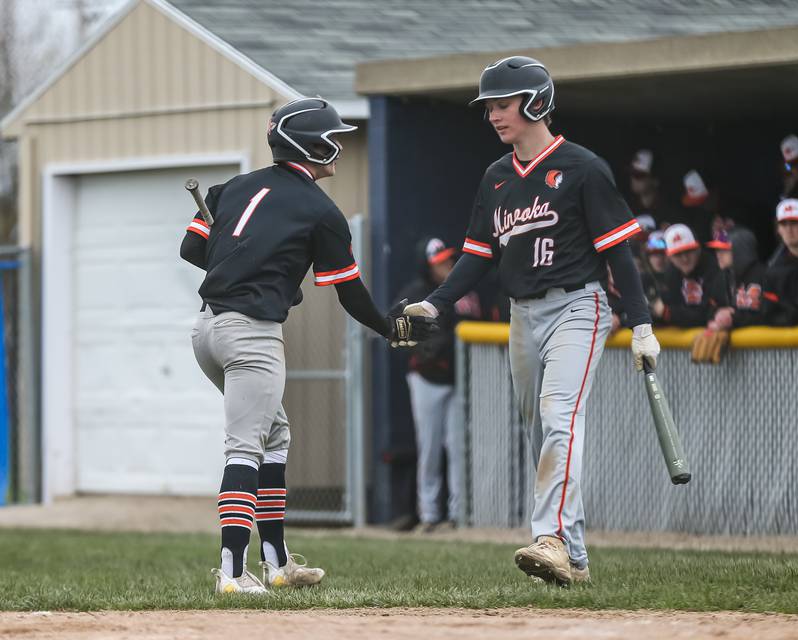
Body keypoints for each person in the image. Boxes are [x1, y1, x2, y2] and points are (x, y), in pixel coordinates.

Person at [401, 57, 660, 586]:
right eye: (490, 107)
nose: (495, 115)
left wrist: (641, 324)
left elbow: (620, 256)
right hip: (522, 313)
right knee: (540, 432)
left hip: (577, 305)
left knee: (559, 417)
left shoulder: (584, 167)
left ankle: (551, 539)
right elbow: (475, 256)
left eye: (503, 104)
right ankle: (576, 556)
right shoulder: (496, 178)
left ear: (535, 101)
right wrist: (437, 303)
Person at [179, 97, 437, 595]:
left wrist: (245, 265)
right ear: (310, 144)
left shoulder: (230, 188)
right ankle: (232, 573)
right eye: (332, 138)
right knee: (247, 446)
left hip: (207, 331)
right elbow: (350, 291)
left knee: (274, 436)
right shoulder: (321, 210)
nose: (337, 145)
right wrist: (388, 328)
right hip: (251, 335)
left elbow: (193, 249)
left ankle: (276, 562)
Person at [397, 237, 483, 533]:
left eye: (449, 259)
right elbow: (396, 332)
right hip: (427, 380)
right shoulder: (415, 294)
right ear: (428, 266)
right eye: (440, 262)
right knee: (430, 448)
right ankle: (430, 515)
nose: (447, 265)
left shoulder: (464, 292)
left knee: (458, 448)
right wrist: (426, 348)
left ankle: (458, 515)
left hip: (460, 381)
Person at [650, 223, 720, 327]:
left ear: (698, 249)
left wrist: (668, 313)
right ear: (670, 258)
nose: (685, 259)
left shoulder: (713, 268)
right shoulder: (671, 273)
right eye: (678, 254)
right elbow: (661, 308)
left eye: (688, 251)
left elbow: (707, 314)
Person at [706, 228, 766, 329]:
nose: (718, 254)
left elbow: (769, 315)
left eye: (724, 250)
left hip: (767, 343)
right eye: (717, 249)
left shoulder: (764, 276)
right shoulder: (720, 278)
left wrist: (733, 316)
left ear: (741, 250)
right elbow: (708, 310)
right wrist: (718, 316)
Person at [764, 199, 798, 325]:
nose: (789, 230)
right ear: (778, 229)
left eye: (794, 223)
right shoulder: (772, 269)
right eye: (784, 224)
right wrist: (792, 317)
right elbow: (768, 315)